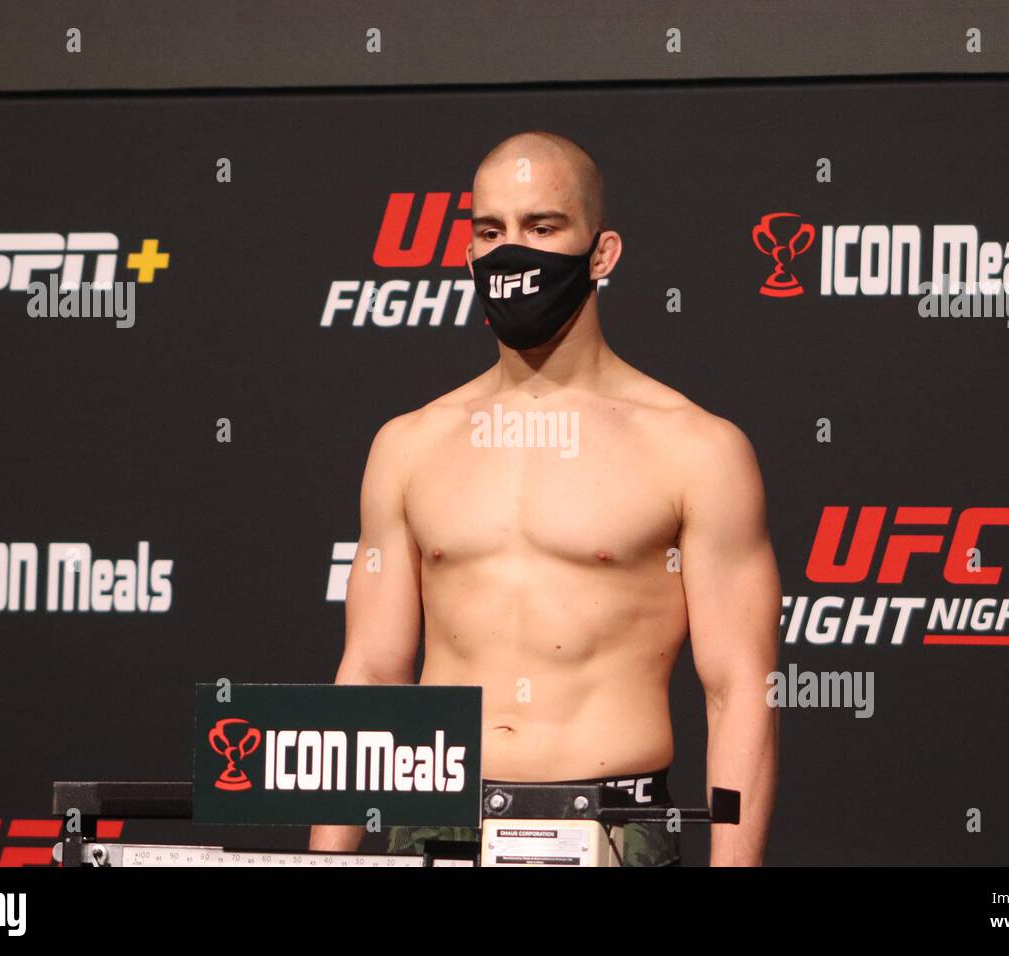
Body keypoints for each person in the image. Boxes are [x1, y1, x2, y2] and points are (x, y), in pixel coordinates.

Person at [310, 130, 780, 865]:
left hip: (612, 827)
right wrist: (324, 861)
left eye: (542, 227)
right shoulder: (408, 445)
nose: (512, 252)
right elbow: (371, 674)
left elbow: (739, 690)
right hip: (435, 825)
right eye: (490, 230)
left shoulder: (696, 448)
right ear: (467, 251)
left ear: (602, 253)